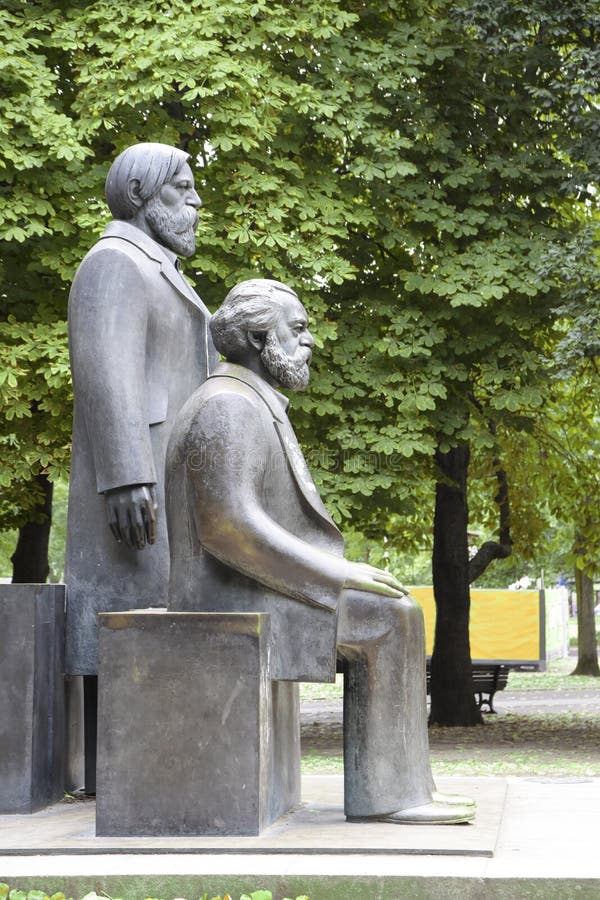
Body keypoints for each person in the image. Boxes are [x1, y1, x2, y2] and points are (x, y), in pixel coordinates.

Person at [166, 278, 474, 824]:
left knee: (394, 609)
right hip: (226, 597)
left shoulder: (248, 401)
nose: (312, 342)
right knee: (390, 618)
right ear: (261, 337)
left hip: (243, 587)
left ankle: (404, 785)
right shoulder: (229, 406)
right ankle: (391, 795)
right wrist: (337, 575)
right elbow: (227, 527)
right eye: (299, 329)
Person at [65, 142, 217, 790]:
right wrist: (127, 474)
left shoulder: (159, 271)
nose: (195, 203)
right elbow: (107, 373)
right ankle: (120, 779)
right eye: (181, 191)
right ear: (138, 196)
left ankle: (151, 776)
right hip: (135, 486)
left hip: (165, 479)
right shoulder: (114, 264)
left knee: (158, 621)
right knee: (130, 623)